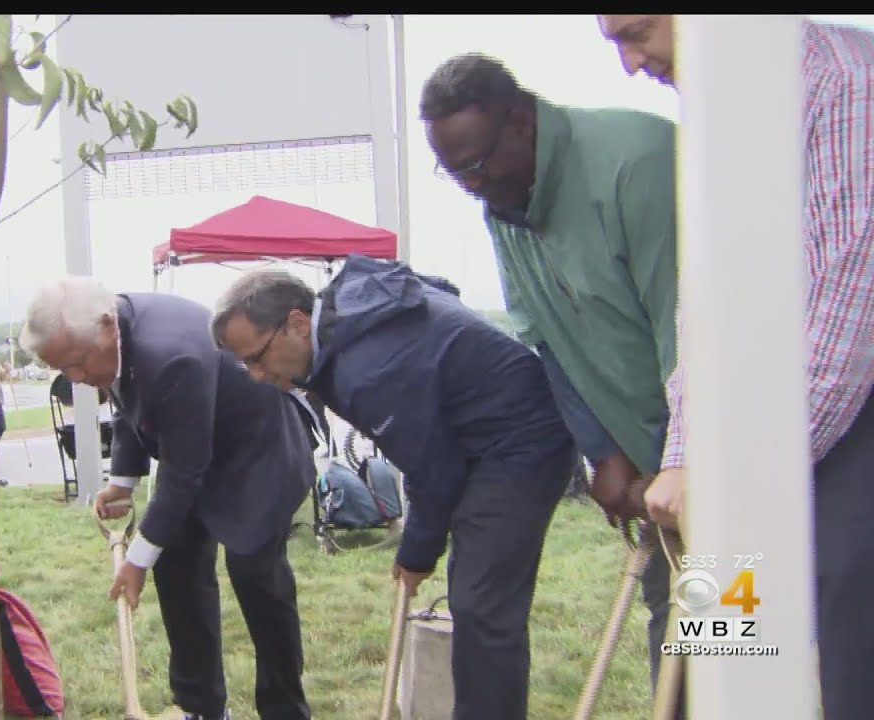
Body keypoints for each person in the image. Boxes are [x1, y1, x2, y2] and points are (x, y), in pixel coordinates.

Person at [599, 15, 874, 719]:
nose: (631, 63)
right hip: (762, 431)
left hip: (849, 411)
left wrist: (738, 479)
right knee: (722, 646)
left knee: (850, 643)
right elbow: (705, 304)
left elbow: (852, 306)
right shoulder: (716, 114)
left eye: (639, 31)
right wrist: (690, 454)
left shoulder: (847, 83)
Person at [418, 51, 681, 703]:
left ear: (520, 124)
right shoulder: (503, 202)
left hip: (722, 464)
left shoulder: (638, 163)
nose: (470, 186)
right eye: (451, 174)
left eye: (475, 165)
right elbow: (544, 336)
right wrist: (604, 454)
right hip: (656, 467)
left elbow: (692, 331)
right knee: (677, 630)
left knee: (726, 641)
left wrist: (685, 459)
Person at [211, 256, 578, 720]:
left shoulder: (368, 368)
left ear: (298, 323)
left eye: (256, 357)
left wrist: (417, 554)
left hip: (520, 442)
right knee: (475, 596)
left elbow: (431, 471)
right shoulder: (353, 313)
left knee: (481, 606)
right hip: (477, 439)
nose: (256, 375)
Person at [21, 276, 316, 720]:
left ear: (105, 327)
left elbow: (183, 472)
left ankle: (285, 710)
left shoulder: (171, 353)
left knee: (255, 575)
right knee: (176, 561)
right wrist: (123, 479)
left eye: (78, 363)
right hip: (196, 447)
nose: (77, 379)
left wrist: (136, 560)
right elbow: (130, 401)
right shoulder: (111, 334)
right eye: (63, 369)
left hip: (259, 452)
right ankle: (201, 707)